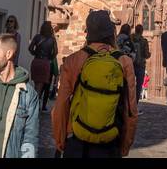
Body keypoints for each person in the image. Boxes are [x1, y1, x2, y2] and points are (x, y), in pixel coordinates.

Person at [51, 10, 138, 159]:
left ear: (88, 32)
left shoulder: (74, 60)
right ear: (112, 33)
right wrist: (125, 146)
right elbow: (130, 110)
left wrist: (61, 141)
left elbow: (61, 106)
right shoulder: (124, 62)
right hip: (110, 141)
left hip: (77, 139)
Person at [28, 21, 57, 111]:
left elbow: (30, 48)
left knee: (36, 85)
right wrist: (49, 58)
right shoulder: (52, 39)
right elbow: (55, 52)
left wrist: (35, 53)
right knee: (40, 87)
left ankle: (33, 105)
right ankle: (33, 107)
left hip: (36, 61)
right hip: (45, 63)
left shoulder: (37, 37)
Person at [132, 24, 151, 103]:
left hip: (130, 64)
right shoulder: (144, 41)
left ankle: (128, 104)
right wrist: (149, 54)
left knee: (129, 84)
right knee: (139, 85)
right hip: (140, 65)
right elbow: (146, 55)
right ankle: (135, 104)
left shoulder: (130, 39)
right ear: (142, 31)